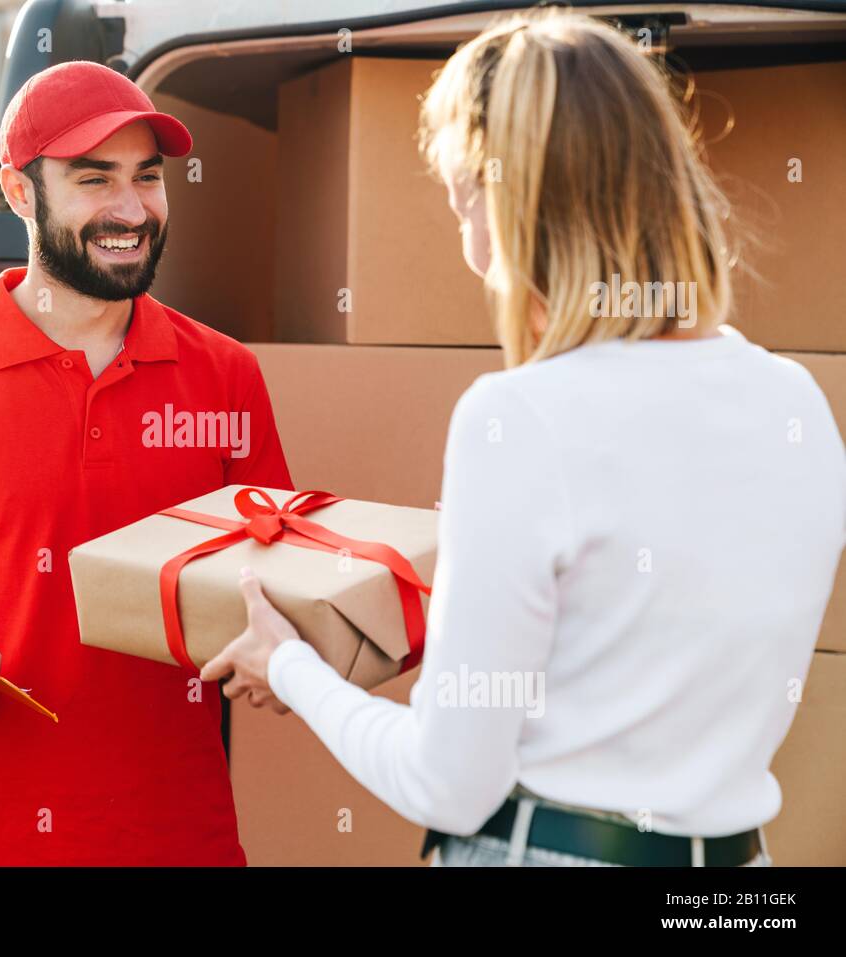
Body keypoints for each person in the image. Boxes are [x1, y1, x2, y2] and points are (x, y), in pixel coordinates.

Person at [202, 10, 845, 867]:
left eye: (468, 204)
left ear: (514, 208)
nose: (470, 250)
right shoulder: (796, 402)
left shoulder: (521, 418)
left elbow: (448, 783)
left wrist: (288, 665)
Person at [0, 61, 293, 865]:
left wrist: (281, 647)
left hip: (184, 835)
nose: (130, 209)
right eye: (94, 179)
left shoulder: (226, 375)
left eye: (147, 177)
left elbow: (270, 577)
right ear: (19, 193)